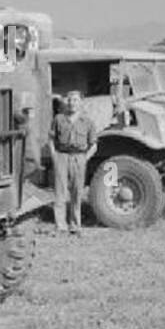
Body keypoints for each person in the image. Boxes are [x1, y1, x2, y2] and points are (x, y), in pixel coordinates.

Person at [50, 89, 98, 234]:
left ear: (81, 103)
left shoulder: (88, 122)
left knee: (77, 192)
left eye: (75, 100)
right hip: (62, 156)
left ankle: (75, 225)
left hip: (79, 157)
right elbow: (51, 139)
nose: (72, 103)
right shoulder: (58, 119)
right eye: (70, 100)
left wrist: (84, 158)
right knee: (60, 191)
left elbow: (94, 144)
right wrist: (54, 157)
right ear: (66, 102)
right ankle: (61, 225)